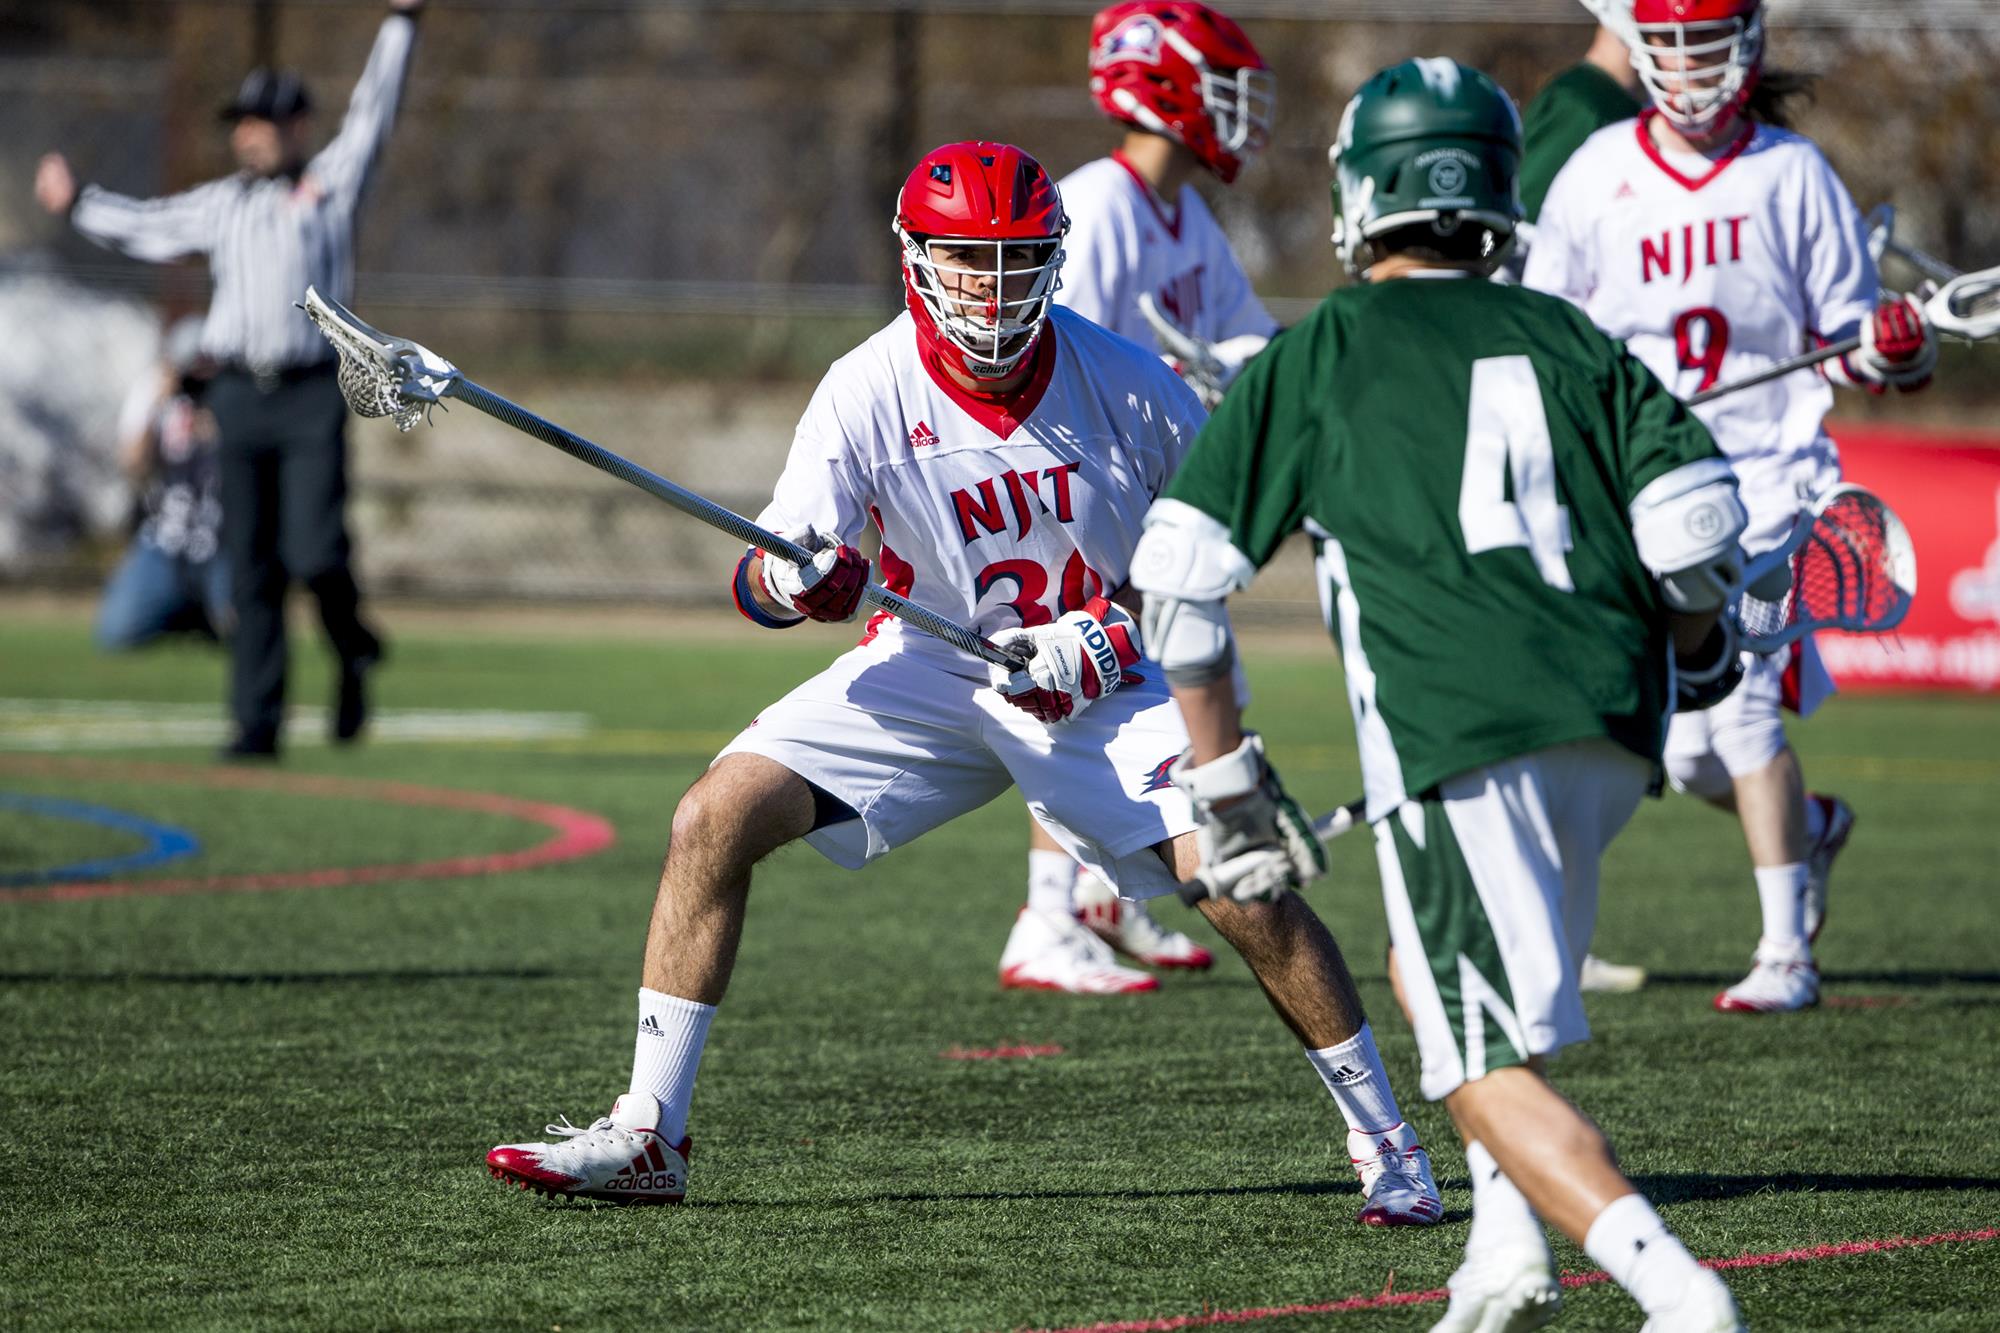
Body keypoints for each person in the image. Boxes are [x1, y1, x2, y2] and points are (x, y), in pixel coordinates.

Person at [485, 142, 1443, 1228]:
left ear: (1052, 260)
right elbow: (760, 580)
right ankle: (651, 1130)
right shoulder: (862, 389)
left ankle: (1387, 1142)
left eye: (1016, 259)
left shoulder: (1128, 382)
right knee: (713, 814)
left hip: (1103, 686)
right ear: (917, 260)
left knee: (1241, 883)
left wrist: (1111, 635)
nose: (991, 287)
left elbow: (1224, 541)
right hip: (934, 671)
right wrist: (799, 578)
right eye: (967, 260)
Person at [1132, 57, 1750, 1333]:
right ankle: (1503, 1252)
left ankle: (1677, 1292)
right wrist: (1698, 655)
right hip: (1608, 729)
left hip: (1457, 735)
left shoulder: (1332, 344)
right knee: (1456, 991)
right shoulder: (1570, 334)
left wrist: (1225, 785)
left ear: (1363, 193)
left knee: (1468, 1064)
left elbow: (1177, 585)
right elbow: (1691, 531)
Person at [1524, 0, 1936, 1013]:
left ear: (1745, 45)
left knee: (1744, 717)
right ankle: (1808, 837)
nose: (1687, 69)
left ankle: (1783, 950)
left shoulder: (1789, 174)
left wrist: (1889, 346)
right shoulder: (1597, 170)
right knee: (1666, 739)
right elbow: (1544, 333)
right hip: (1631, 481)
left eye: (1704, 44)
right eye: (1665, 44)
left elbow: (1851, 339)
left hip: (1762, 478)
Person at [34, 0, 426, 758]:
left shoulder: (330, 187)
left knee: (315, 551)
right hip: (238, 393)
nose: (252, 132)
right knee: (251, 564)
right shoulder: (223, 205)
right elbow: (148, 225)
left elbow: (377, 107)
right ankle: (257, 722)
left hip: (313, 390)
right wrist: (79, 202)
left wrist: (401, 22)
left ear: (299, 126)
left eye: (267, 119)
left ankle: (351, 647)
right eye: (244, 121)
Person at [994, 0, 1284, 994]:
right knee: (1081, 695)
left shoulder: (1185, 215)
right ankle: (1044, 919)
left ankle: (1110, 897)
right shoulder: (1099, 207)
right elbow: (1045, 353)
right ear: (1165, 85)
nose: (1237, 112)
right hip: (1085, 489)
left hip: (1159, 487)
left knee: (1189, 688)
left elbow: (1242, 340)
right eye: (1219, 86)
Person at [94, 316, 232, 652]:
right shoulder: (156, 391)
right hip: (165, 542)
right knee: (117, 632)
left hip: (225, 543)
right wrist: (160, 402)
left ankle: (207, 614)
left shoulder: (234, 396)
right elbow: (133, 464)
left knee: (246, 634)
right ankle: (183, 615)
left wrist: (218, 422)